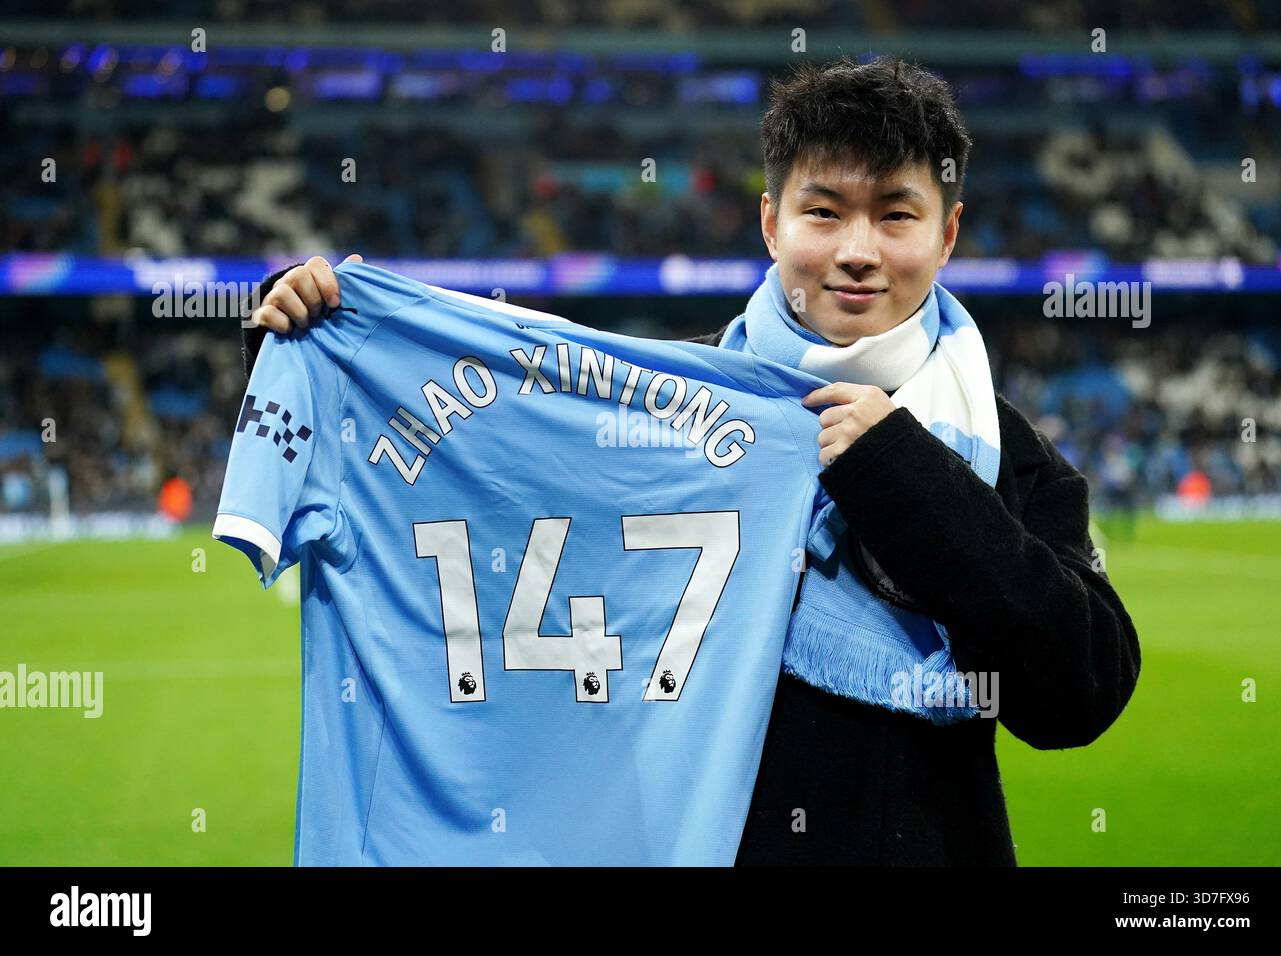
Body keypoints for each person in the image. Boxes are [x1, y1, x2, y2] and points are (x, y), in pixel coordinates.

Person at [237, 56, 1141, 865]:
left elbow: (1078, 693)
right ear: (770, 224)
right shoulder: (663, 413)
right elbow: (489, 480)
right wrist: (327, 359)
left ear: (946, 235)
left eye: (896, 214)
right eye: (822, 211)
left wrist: (901, 468)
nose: (858, 252)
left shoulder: (999, 449)